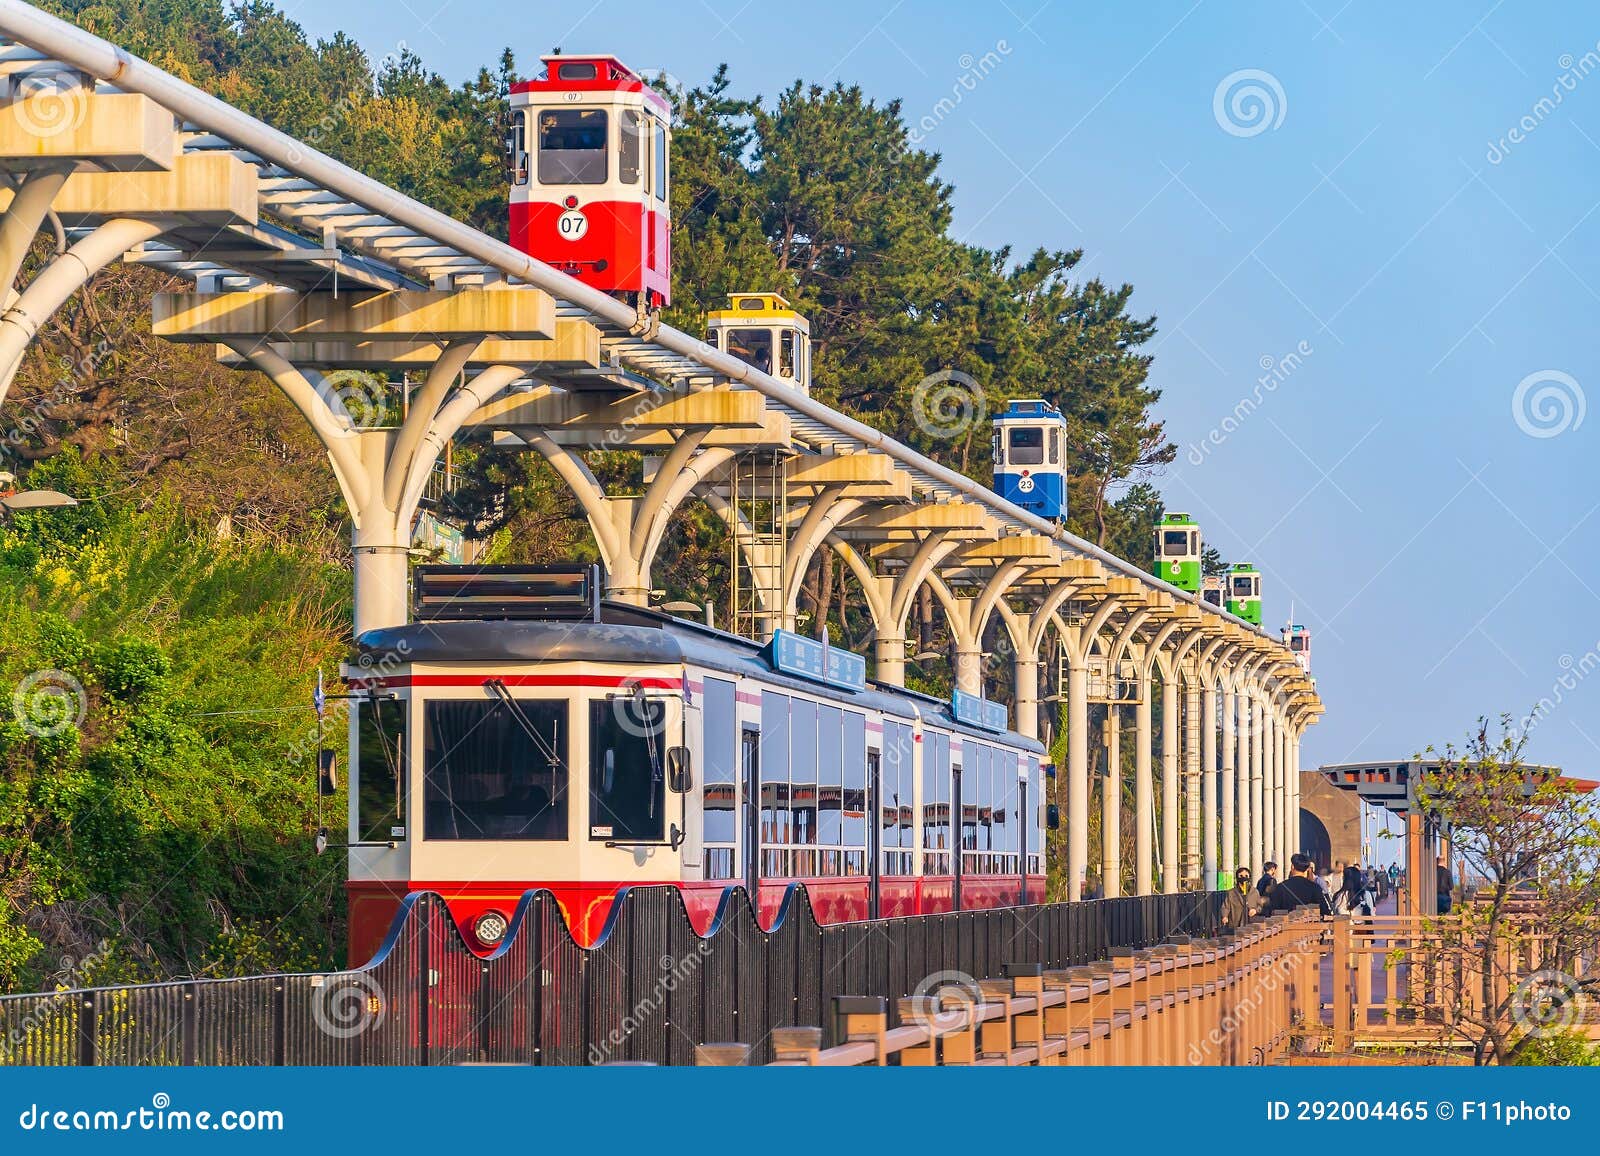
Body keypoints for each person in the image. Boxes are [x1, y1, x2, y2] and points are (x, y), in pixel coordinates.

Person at [1267, 853, 1333, 916]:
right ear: (1307, 869)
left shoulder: (1280, 887)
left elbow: (1272, 911)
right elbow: (1325, 912)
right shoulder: (1315, 888)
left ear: (1292, 867)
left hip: (1286, 926)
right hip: (1310, 926)